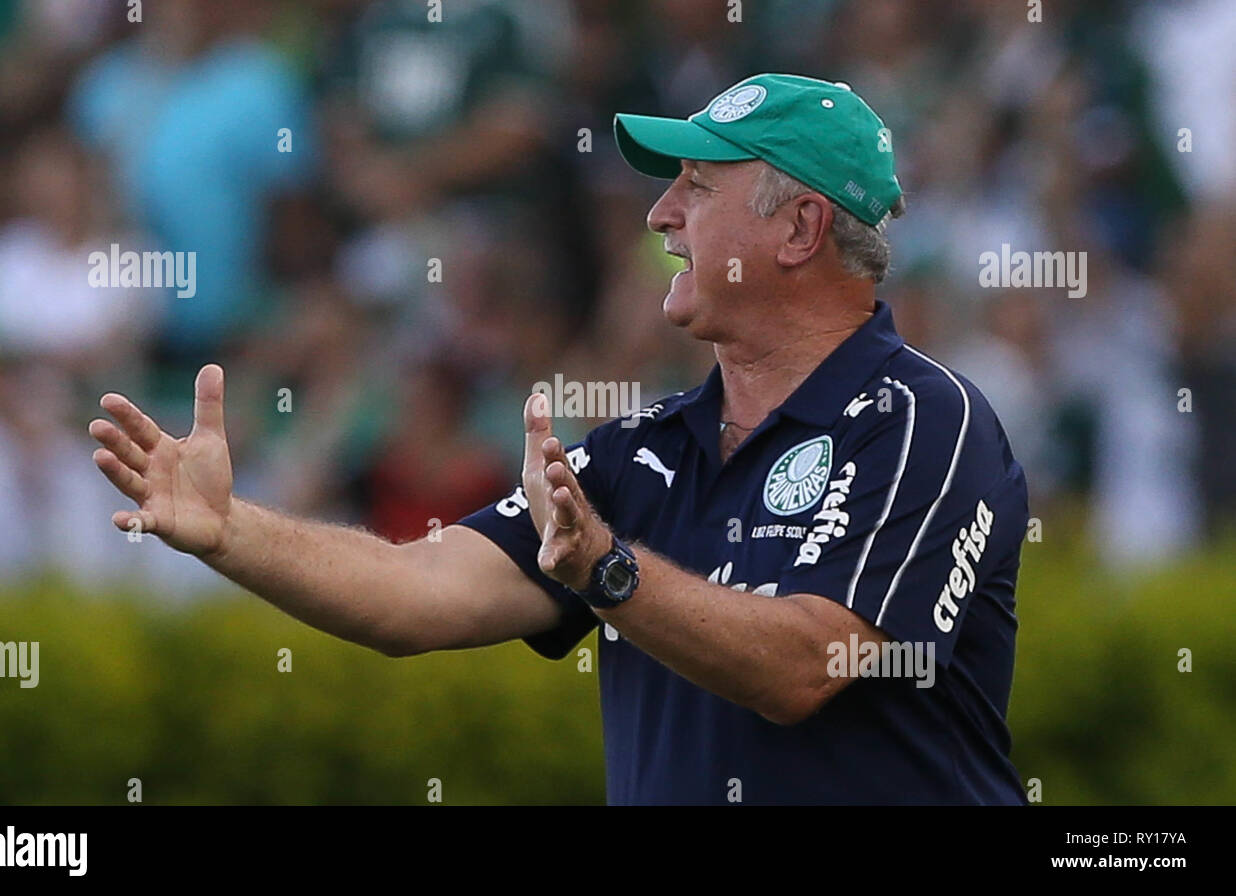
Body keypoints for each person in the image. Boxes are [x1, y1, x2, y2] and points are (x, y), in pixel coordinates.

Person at [90, 74, 1029, 805]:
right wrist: (228, 529)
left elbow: (806, 665)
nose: (660, 215)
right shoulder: (643, 450)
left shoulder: (925, 419)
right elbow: (414, 595)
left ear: (800, 229)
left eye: (697, 188)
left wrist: (611, 574)